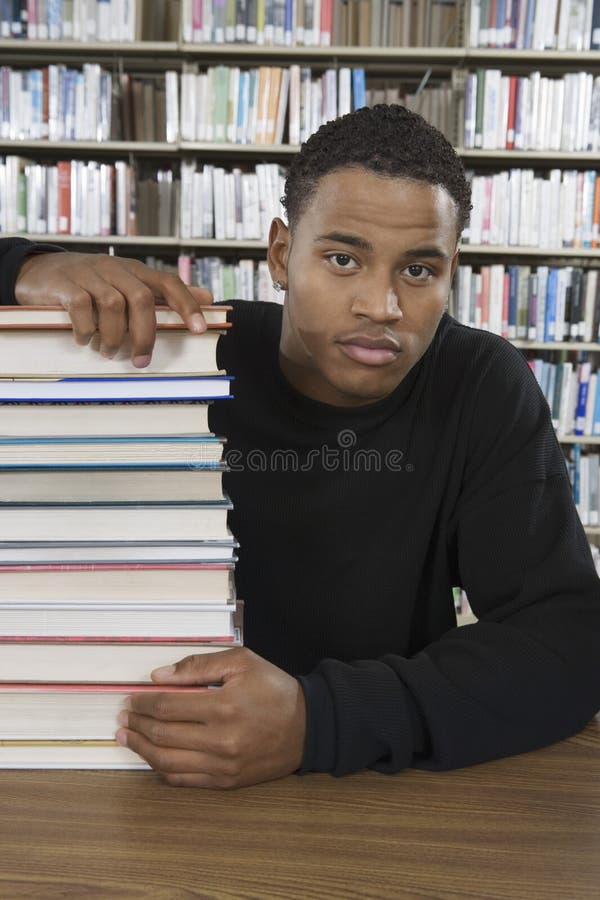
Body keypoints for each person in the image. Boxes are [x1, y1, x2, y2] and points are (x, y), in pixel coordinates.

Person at [1, 105, 599, 789]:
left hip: (365, 794)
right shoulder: (177, 356)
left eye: (419, 270)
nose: (382, 304)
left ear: (452, 271)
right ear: (281, 254)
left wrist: (319, 720)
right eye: (343, 258)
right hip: (123, 774)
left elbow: (571, 642)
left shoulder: (480, 385)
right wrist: (26, 269)